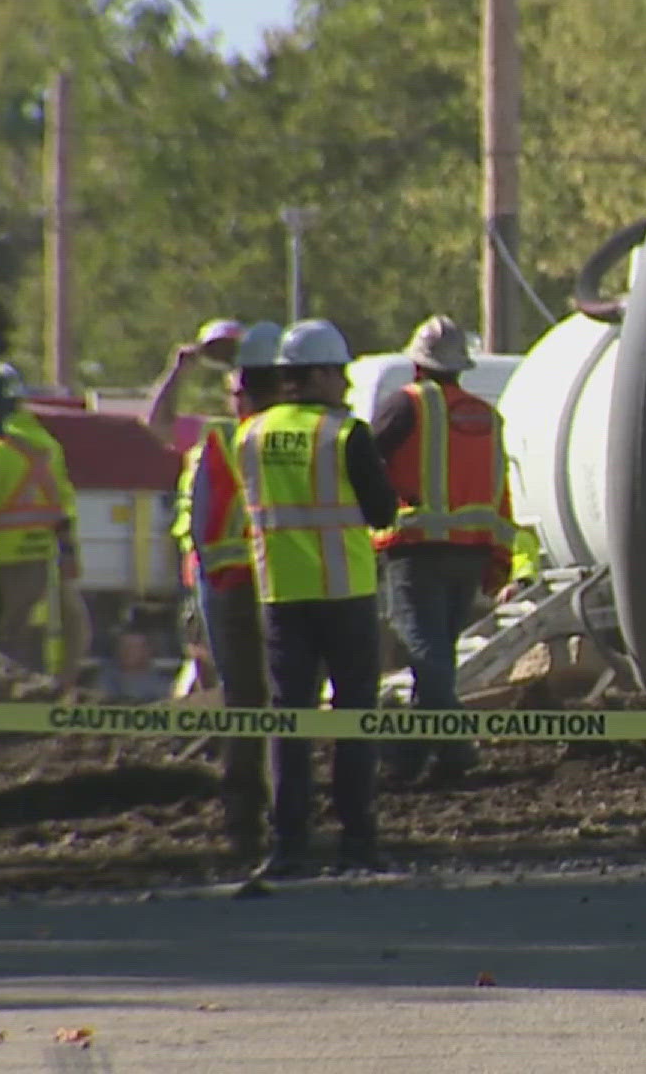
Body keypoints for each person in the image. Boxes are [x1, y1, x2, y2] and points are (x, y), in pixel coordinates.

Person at [234, 319, 399, 879]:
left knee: (289, 721)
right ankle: (357, 840)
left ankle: (289, 844)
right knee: (355, 719)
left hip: (280, 593)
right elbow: (381, 512)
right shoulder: (345, 434)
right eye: (340, 373)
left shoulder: (250, 434)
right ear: (320, 374)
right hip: (345, 591)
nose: (346, 384)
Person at [371, 316, 517, 782]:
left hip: (418, 551)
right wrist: (500, 557)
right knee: (438, 659)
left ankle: (457, 750)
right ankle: (412, 762)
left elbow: (363, 461)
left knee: (427, 657)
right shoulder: (487, 416)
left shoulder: (406, 405)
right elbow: (501, 491)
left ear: (417, 366)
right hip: (470, 553)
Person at [160, 322, 284, 858]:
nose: (232, 396)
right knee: (271, 700)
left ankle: (250, 817)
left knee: (248, 701)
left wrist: (182, 369)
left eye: (237, 388)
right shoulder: (237, 436)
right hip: (259, 582)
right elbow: (159, 425)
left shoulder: (224, 439)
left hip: (234, 583)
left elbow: (159, 426)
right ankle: (267, 814)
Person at [0, 365, 80, 693]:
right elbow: (63, 506)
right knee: (22, 638)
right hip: (37, 561)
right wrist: (68, 555)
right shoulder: (47, 446)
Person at [96, 624, 168, 705]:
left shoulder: (163, 686)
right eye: (123, 646)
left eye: (133, 647)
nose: (127, 651)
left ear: (148, 650)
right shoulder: (104, 680)